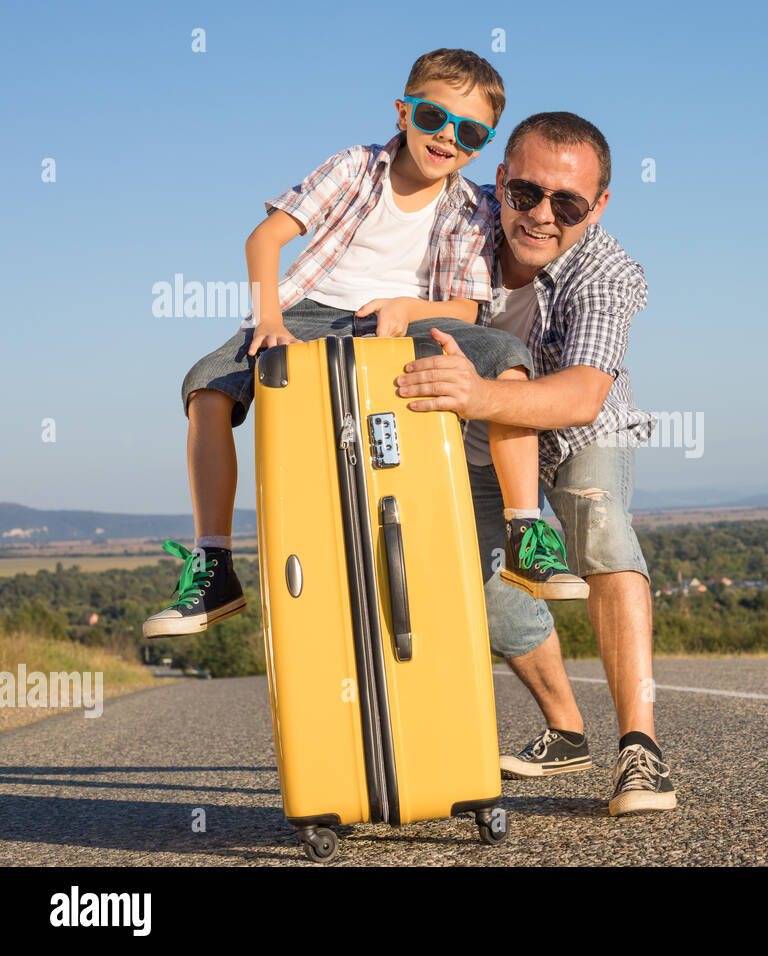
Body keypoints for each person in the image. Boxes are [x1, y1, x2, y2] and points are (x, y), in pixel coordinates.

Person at [144, 50, 587, 640]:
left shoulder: (474, 206)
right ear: (405, 112)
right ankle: (214, 565)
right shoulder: (356, 167)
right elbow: (265, 238)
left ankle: (526, 531)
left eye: (470, 131)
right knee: (207, 385)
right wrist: (268, 319)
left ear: (483, 145)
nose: (448, 138)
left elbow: (468, 308)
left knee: (505, 361)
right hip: (307, 312)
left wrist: (410, 309)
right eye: (433, 118)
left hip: (405, 322)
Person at [397, 112, 675, 816]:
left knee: (601, 531)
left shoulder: (609, 273)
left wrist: (481, 393)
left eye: (568, 203)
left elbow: (583, 395)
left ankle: (640, 751)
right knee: (487, 584)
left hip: (577, 426)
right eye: (526, 193)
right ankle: (566, 728)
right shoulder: (455, 220)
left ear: (599, 206)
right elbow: (381, 180)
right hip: (475, 434)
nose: (543, 215)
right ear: (500, 180)